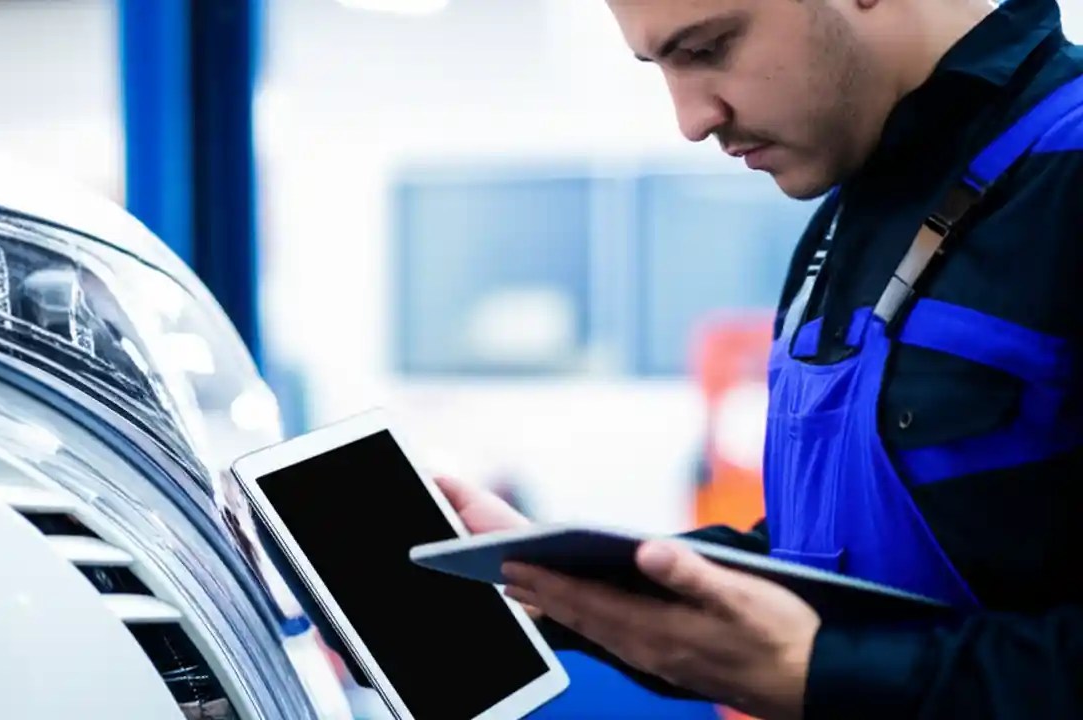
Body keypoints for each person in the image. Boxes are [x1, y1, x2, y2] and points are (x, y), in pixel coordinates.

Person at [436, 0, 1083, 717]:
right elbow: (827, 553)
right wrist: (559, 576)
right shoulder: (848, 219)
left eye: (709, 48)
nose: (690, 120)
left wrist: (815, 671)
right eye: (660, 67)